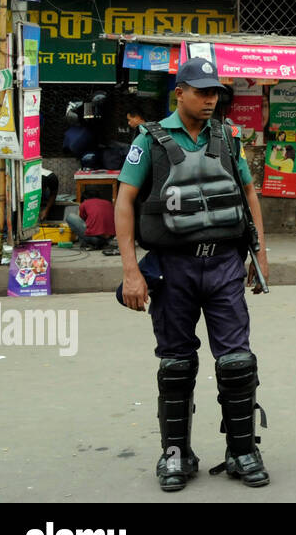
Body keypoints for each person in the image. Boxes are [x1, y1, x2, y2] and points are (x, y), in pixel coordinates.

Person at [115, 57, 272, 492]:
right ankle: (175, 453)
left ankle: (242, 449)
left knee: (237, 361)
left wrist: (258, 255)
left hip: (224, 264)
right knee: (176, 363)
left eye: (214, 92)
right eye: (201, 91)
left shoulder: (227, 136)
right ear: (179, 92)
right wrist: (131, 270)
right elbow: (124, 202)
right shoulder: (149, 141)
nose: (210, 99)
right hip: (172, 267)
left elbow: (248, 193)